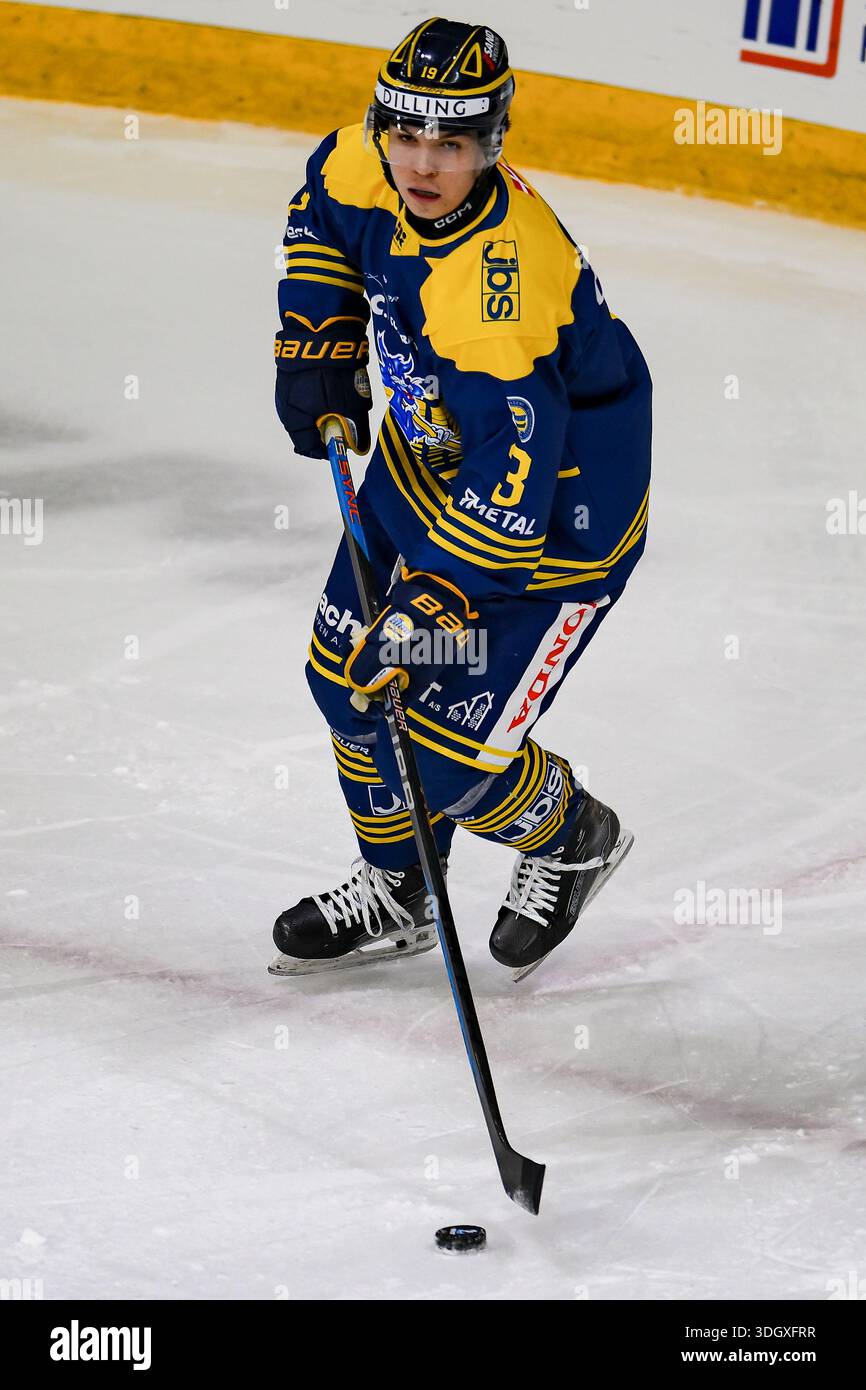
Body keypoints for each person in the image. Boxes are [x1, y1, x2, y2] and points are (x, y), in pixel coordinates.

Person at [270, 17, 652, 978]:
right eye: (407, 135)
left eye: (451, 143)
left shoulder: (498, 291)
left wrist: (436, 596)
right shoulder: (366, 160)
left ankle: (572, 832)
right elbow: (320, 219)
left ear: (492, 143)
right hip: (424, 457)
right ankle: (401, 888)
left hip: (556, 519)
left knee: (441, 756)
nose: (422, 162)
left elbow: (515, 467)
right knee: (343, 683)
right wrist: (318, 336)